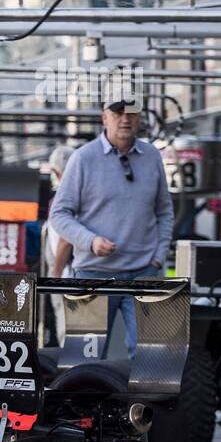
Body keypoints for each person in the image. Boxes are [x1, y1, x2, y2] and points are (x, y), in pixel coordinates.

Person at [48, 99, 174, 359]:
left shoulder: (152, 157)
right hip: (93, 275)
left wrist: (158, 258)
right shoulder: (83, 158)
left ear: (140, 118)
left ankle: (141, 402)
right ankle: (85, 402)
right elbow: (59, 215)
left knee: (149, 356)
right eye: (118, 113)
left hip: (144, 274)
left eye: (132, 113)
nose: (125, 118)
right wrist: (90, 241)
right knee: (85, 356)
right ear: (105, 118)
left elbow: (165, 212)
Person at [42, 144, 75, 344]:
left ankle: (73, 375)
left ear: (56, 171)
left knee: (67, 332)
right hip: (71, 275)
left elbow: (65, 240)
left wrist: (55, 274)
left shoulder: (63, 198)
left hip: (65, 277)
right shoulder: (80, 194)